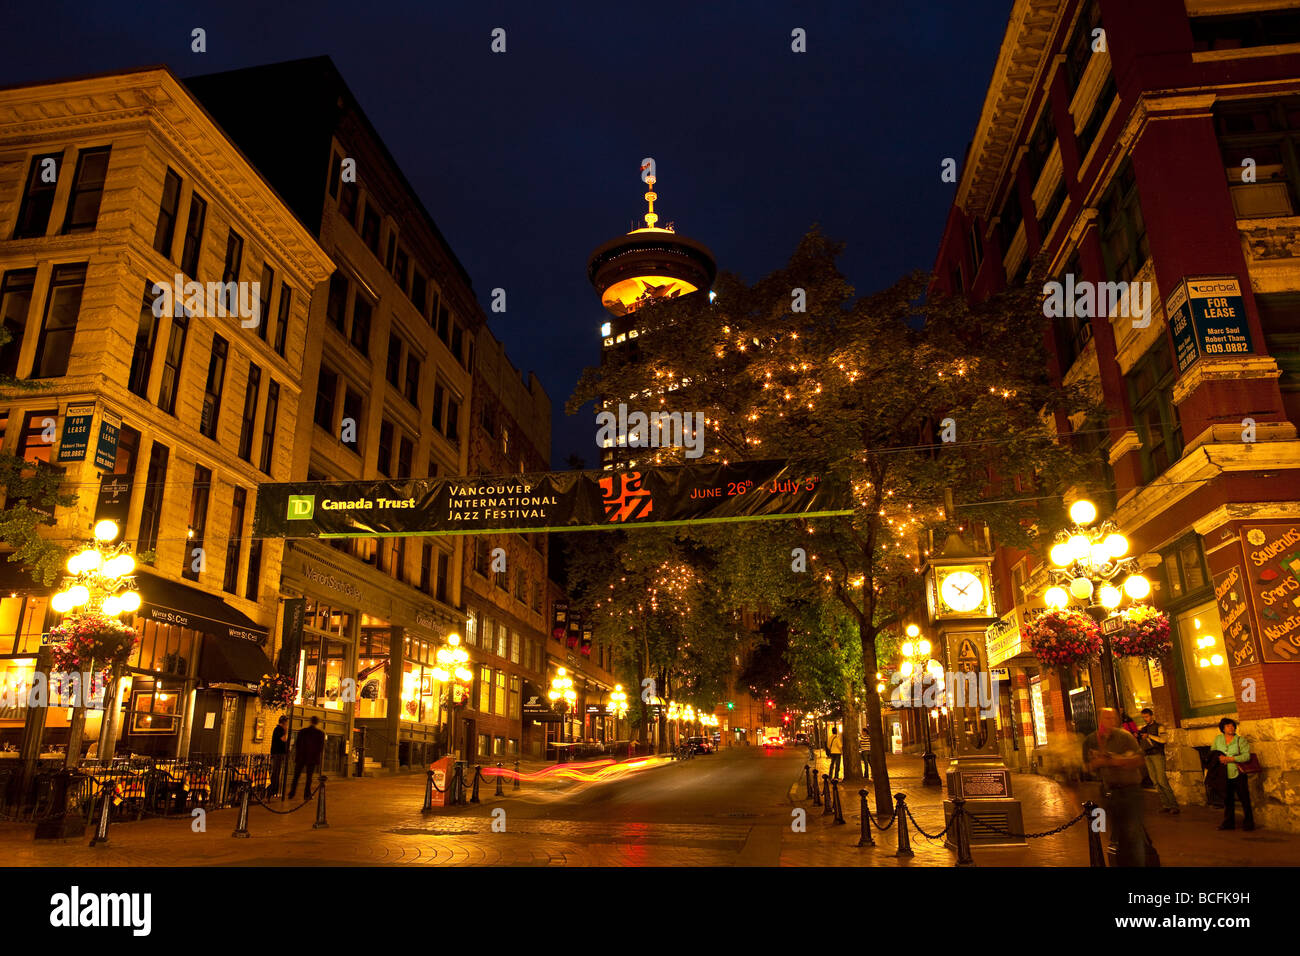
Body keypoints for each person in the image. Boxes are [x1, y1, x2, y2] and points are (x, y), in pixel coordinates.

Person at [1083, 707, 1148, 866]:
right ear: (1099, 720)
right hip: (1109, 791)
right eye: (1107, 718)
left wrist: (1115, 761)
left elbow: (1139, 760)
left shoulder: (1124, 737)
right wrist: (1096, 763)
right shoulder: (1091, 740)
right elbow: (1087, 767)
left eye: (1113, 718)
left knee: (1134, 833)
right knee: (1115, 834)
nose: (1111, 722)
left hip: (1130, 789)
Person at [1212, 718, 1254, 831]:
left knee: (1244, 798)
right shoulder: (1218, 739)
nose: (1231, 728)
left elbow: (1246, 756)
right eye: (1227, 726)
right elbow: (1213, 752)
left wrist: (1231, 758)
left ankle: (1249, 822)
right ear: (1223, 729)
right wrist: (1219, 758)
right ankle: (1228, 823)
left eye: (1232, 726)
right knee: (1227, 799)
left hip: (1238, 772)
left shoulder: (1240, 740)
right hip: (1223, 774)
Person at [1135, 707, 1178, 814]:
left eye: (1147, 716)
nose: (1145, 719)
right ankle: (1166, 805)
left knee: (1162, 780)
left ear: (1151, 716)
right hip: (1147, 755)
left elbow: (1163, 740)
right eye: (1143, 717)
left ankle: (1174, 805)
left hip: (1157, 755)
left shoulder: (1159, 727)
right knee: (1155, 782)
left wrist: (1149, 736)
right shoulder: (1144, 728)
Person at [288, 716, 325, 799]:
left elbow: (297, 745)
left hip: (301, 757)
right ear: (317, 723)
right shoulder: (320, 734)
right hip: (312, 758)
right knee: (309, 777)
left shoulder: (302, 732)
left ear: (310, 721)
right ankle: (307, 794)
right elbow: (320, 748)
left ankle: (292, 793)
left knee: (296, 776)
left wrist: (298, 754)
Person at [268, 716, 288, 796]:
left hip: (279, 754)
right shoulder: (278, 729)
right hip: (277, 754)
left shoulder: (280, 730)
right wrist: (286, 732)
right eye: (286, 723)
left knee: (278, 772)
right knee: (275, 772)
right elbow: (283, 739)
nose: (287, 725)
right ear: (283, 723)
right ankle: (272, 790)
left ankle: (275, 790)